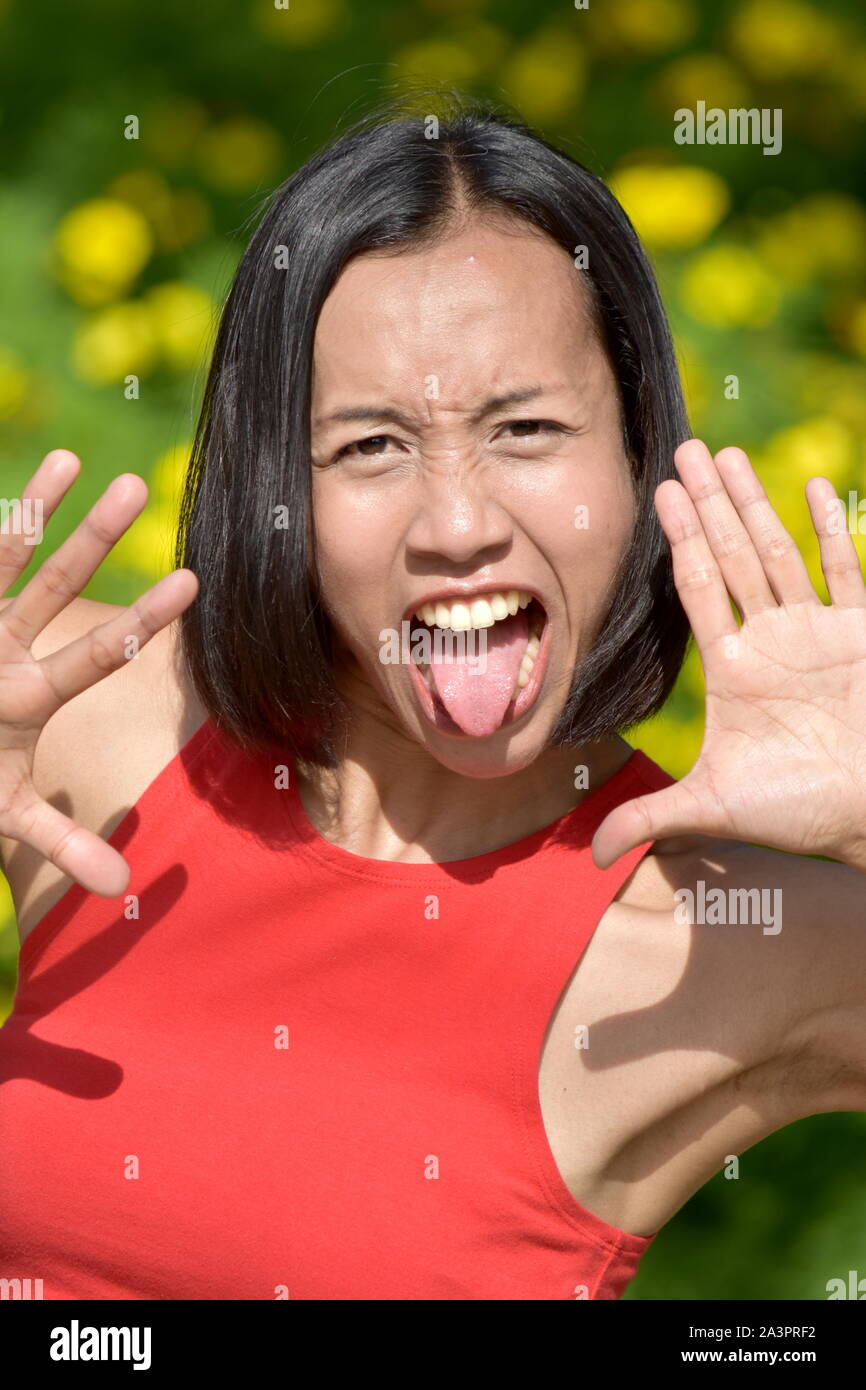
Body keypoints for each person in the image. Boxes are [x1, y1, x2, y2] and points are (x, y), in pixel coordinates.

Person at [1, 98, 864, 1302]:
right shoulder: (95, 717)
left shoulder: (714, 937)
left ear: (635, 457)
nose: (456, 526)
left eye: (525, 428)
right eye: (369, 447)